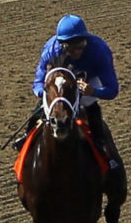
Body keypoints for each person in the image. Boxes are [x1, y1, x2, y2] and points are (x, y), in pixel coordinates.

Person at [19, 14, 123, 177]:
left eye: (80, 45)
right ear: (61, 44)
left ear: (86, 40)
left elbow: (112, 89)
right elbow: (38, 82)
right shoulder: (51, 50)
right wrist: (45, 94)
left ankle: (100, 143)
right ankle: (27, 139)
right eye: (69, 47)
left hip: (88, 82)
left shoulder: (99, 51)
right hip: (61, 83)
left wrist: (94, 91)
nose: (75, 51)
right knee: (43, 107)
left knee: (89, 102)